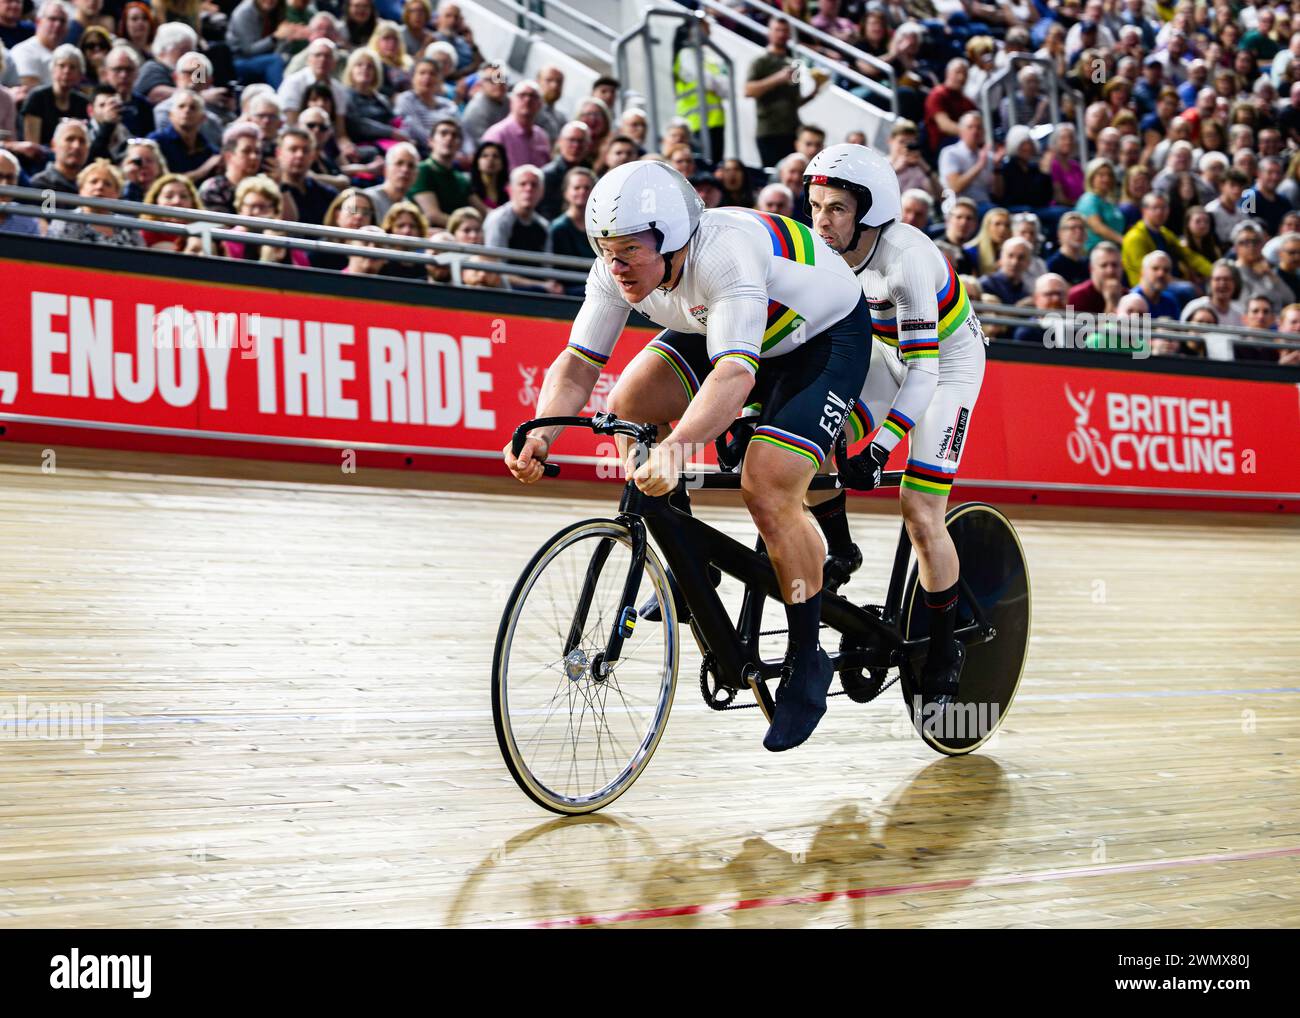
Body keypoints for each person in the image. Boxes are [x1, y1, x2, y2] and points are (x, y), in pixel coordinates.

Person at [504, 160, 872, 752]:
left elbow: (734, 373)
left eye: (627, 250)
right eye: (604, 249)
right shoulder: (620, 269)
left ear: (671, 240)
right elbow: (577, 363)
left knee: (768, 485)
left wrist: (678, 448)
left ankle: (809, 654)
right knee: (628, 404)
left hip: (821, 337)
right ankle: (690, 560)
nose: (615, 265)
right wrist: (541, 434)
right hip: (725, 326)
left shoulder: (723, 254)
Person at [803, 143, 986, 721]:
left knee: (920, 508)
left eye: (835, 209)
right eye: (815, 207)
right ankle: (841, 549)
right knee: (814, 431)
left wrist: (881, 447)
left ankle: (944, 643)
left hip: (947, 366)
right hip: (888, 352)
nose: (822, 221)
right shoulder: (823, 250)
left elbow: (926, 371)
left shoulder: (904, 257)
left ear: (869, 211)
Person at [745, 15, 824, 168]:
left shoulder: (792, 62)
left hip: (792, 130)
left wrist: (813, 93)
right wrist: (777, 78)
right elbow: (748, 91)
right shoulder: (761, 61)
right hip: (770, 131)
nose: (781, 34)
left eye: (784, 31)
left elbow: (793, 102)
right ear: (769, 32)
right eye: (777, 30)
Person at [482, 163, 555, 291]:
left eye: (534, 184)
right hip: (507, 291)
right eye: (522, 184)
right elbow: (495, 270)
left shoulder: (543, 226)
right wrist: (541, 286)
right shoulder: (499, 219)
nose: (528, 189)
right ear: (510, 190)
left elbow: (547, 269)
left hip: (538, 290)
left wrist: (551, 285)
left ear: (541, 192)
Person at [47, 158, 141, 245]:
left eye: (107, 184)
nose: (99, 187)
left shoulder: (129, 228)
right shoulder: (64, 222)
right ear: (81, 189)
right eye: (93, 181)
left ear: (117, 193)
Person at [409, 117, 475, 226]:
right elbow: (433, 216)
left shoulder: (461, 178)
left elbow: (482, 210)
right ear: (430, 141)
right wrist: (467, 227)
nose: (449, 138)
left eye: (454, 135)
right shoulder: (421, 170)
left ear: (460, 145)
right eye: (443, 133)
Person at [481, 79, 551, 171]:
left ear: (540, 104)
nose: (528, 99)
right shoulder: (497, 135)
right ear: (511, 101)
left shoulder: (542, 137)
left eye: (533, 96)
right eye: (522, 95)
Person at [537, 119, 589, 221]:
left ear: (588, 144)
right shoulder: (547, 175)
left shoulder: (590, 171)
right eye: (571, 140)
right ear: (560, 142)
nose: (576, 146)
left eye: (581, 141)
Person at [364, 140, 418, 221]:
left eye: (411, 166)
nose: (405, 169)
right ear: (386, 169)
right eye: (399, 163)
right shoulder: (367, 199)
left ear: (416, 175)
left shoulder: (411, 209)